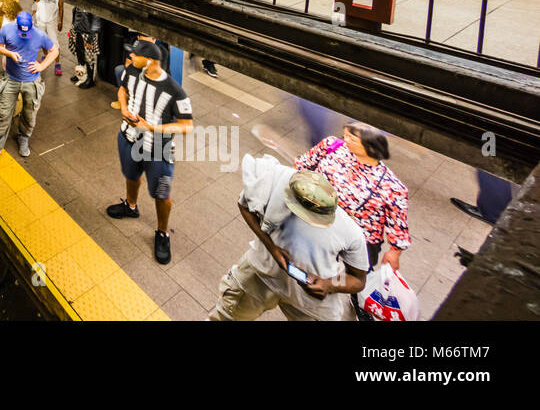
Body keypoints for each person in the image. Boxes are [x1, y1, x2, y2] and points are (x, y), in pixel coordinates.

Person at [209, 166, 368, 321]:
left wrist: (329, 285)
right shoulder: (278, 181)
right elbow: (244, 204)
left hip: (307, 301)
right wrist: (272, 248)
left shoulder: (352, 233)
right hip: (261, 273)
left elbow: (359, 280)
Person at [106, 40, 194, 264]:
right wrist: (124, 108)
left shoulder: (176, 91)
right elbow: (122, 90)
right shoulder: (132, 71)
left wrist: (152, 128)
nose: (131, 58)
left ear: (151, 61)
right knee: (131, 175)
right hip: (128, 138)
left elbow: (186, 125)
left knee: (162, 193)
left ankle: (162, 233)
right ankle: (131, 206)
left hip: (159, 151)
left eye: (135, 55)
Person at [295, 124, 410, 273]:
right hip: (317, 222)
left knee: (350, 278)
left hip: (357, 241)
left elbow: (397, 225)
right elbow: (302, 164)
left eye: (352, 138)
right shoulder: (332, 145)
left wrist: (394, 252)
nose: (346, 140)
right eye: (345, 135)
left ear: (371, 145)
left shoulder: (392, 187)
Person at [0, 11, 59, 162]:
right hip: (11, 79)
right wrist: (9, 54)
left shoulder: (39, 35)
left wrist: (42, 66)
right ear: (17, 25)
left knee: (29, 115)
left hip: (32, 82)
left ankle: (23, 137)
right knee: (2, 114)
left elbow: (54, 51)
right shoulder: (7, 30)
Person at [70, 6, 103, 88]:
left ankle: (90, 79)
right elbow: (75, 10)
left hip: (88, 33)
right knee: (79, 53)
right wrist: (73, 27)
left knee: (89, 57)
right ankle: (80, 74)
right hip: (78, 29)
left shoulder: (92, 2)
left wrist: (91, 37)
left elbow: (96, 19)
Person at [32, 0, 64, 77]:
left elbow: (61, 8)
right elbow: (37, 2)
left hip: (51, 21)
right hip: (40, 20)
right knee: (42, 41)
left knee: (55, 43)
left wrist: (60, 21)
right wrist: (32, 15)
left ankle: (57, 64)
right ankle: (45, 55)